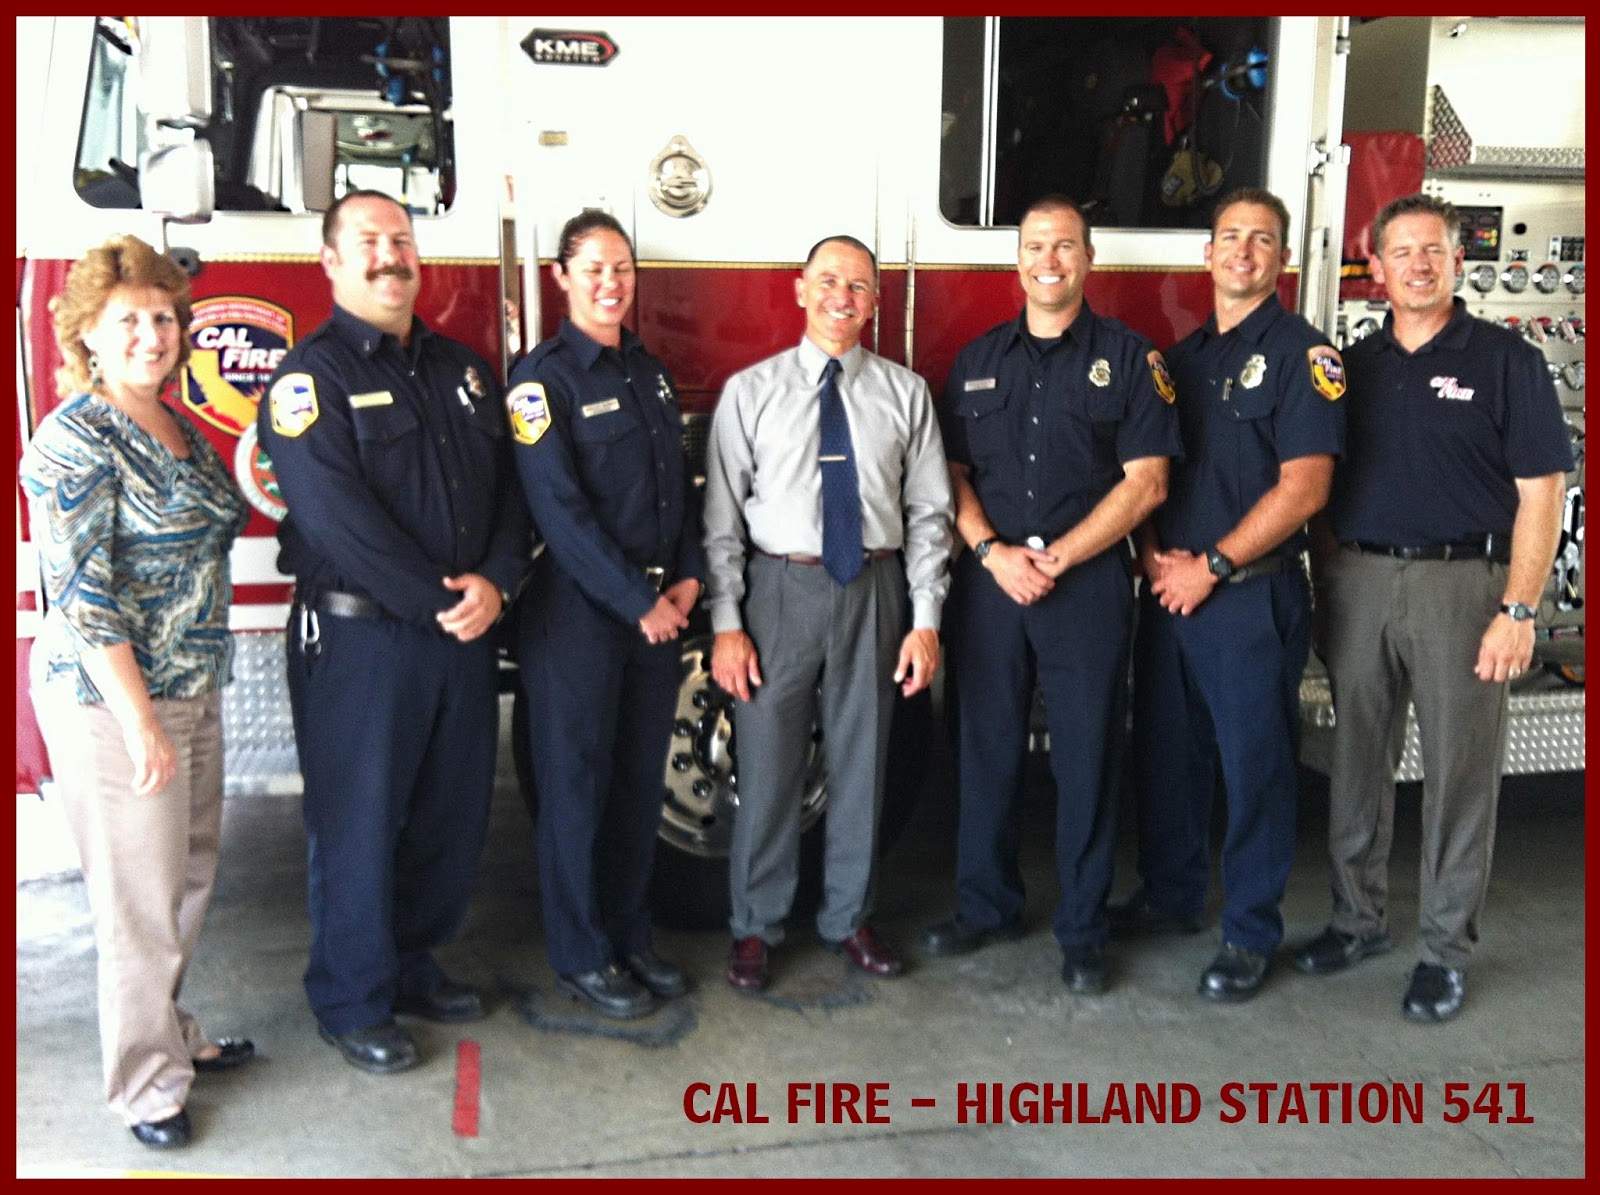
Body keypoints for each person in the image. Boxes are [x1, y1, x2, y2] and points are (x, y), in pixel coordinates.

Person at [259, 190, 531, 1072]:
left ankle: (411, 962)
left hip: (458, 629)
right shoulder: (310, 380)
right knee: (360, 822)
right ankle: (350, 995)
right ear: (331, 262)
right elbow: (339, 519)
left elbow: (509, 490)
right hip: (363, 641)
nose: (390, 255)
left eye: (403, 240)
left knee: (449, 820)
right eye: (368, 241)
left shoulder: (465, 368)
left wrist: (496, 579)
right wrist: (442, 599)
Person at [1292, 193, 1572, 1022]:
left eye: (1434, 251)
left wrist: (1519, 609)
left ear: (1457, 262)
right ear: (1373, 269)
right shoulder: (1350, 366)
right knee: (1357, 766)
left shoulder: (1505, 360)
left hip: (1464, 588)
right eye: (1401, 251)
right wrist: (1328, 578)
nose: (1418, 264)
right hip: (1360, 582)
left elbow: (1542, 492)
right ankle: (1357, 919)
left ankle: (1445, 950)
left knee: (1459, 776)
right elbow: (1321, 485)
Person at [21, 234, 254, 1149]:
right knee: (138, 902)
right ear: (89, 334)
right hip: (112, 705)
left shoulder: (177, 426)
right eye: (130, 321)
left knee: (188, 879)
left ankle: (171, 1032)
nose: (152, 334)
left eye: (164, 317)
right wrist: (140, 720)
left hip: (189, 685)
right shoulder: (75, 435)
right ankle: (146, 1083)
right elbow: (81, 592)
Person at [922, 194, 1180, 994]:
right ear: (1018, 260)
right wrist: (994, 553)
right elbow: (953, 478)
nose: (1049, 261)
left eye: (1065, 247)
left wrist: (1061, 556)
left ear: (1088, 260)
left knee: (1087, 758)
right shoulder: (975, 359)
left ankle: (1083, 928)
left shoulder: (1134, 361)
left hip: (1087, 587)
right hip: (995, 585)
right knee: (985, 748)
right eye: (1036, 246)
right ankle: (986, 904)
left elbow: (1147, 483)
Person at [1110, 189, 1346, 1002]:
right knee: (1168, 756)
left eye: (1263, 240)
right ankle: (1173, 895)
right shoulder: (1180, 360)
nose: (1244, 251)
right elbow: (1151, 475)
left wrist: (1208, 565)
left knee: (1256, 769)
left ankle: (1249, 930)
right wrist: (1150, 558)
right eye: (1230, 238)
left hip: (1246, 594)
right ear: (1207, 255)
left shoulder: (1305, 356)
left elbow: (1306, 487)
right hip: (1172, 591)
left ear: (1281, 260)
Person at [704, 235, 953, 991]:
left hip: (873, 589)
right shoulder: (750, 391)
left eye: (860, 286)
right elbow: (720, 519)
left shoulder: (905, 394)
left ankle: (849, 916)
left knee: (862, 765)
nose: (844, 297)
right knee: (770, 768)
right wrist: (726, 623)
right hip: (779, 590)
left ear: (876, 301)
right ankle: (755, 924)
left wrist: (925, 615)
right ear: (800, 290)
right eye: (830, 281)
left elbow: (930, 512)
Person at [506, 212, 703, 1019]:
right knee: (576, 789)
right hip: (581, 618)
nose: (610, 282)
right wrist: (638, 602)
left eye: (621, 267)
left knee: (634, 789)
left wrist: (688, 581)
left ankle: (630, 937)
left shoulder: (649, 374)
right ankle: (581, 953)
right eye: (592, 268)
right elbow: (560, 514)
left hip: (658, 611)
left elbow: (676, 491)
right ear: (561, 276)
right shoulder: (539, 382)